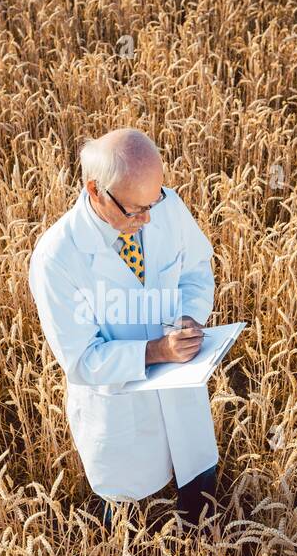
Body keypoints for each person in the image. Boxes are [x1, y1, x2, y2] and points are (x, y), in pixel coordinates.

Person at [28, 128, 219, 529]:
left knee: (200, 499)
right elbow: (82, 360)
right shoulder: (56, 258)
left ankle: (202, 551)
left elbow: (196, 268)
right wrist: (156, 351)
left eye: (154, 202)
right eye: (135, 210)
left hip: (181, 394)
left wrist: (190, 316)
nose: (148, 219)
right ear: (95, 191)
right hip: (118, 414)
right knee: (126, 522)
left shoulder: (164, 207)